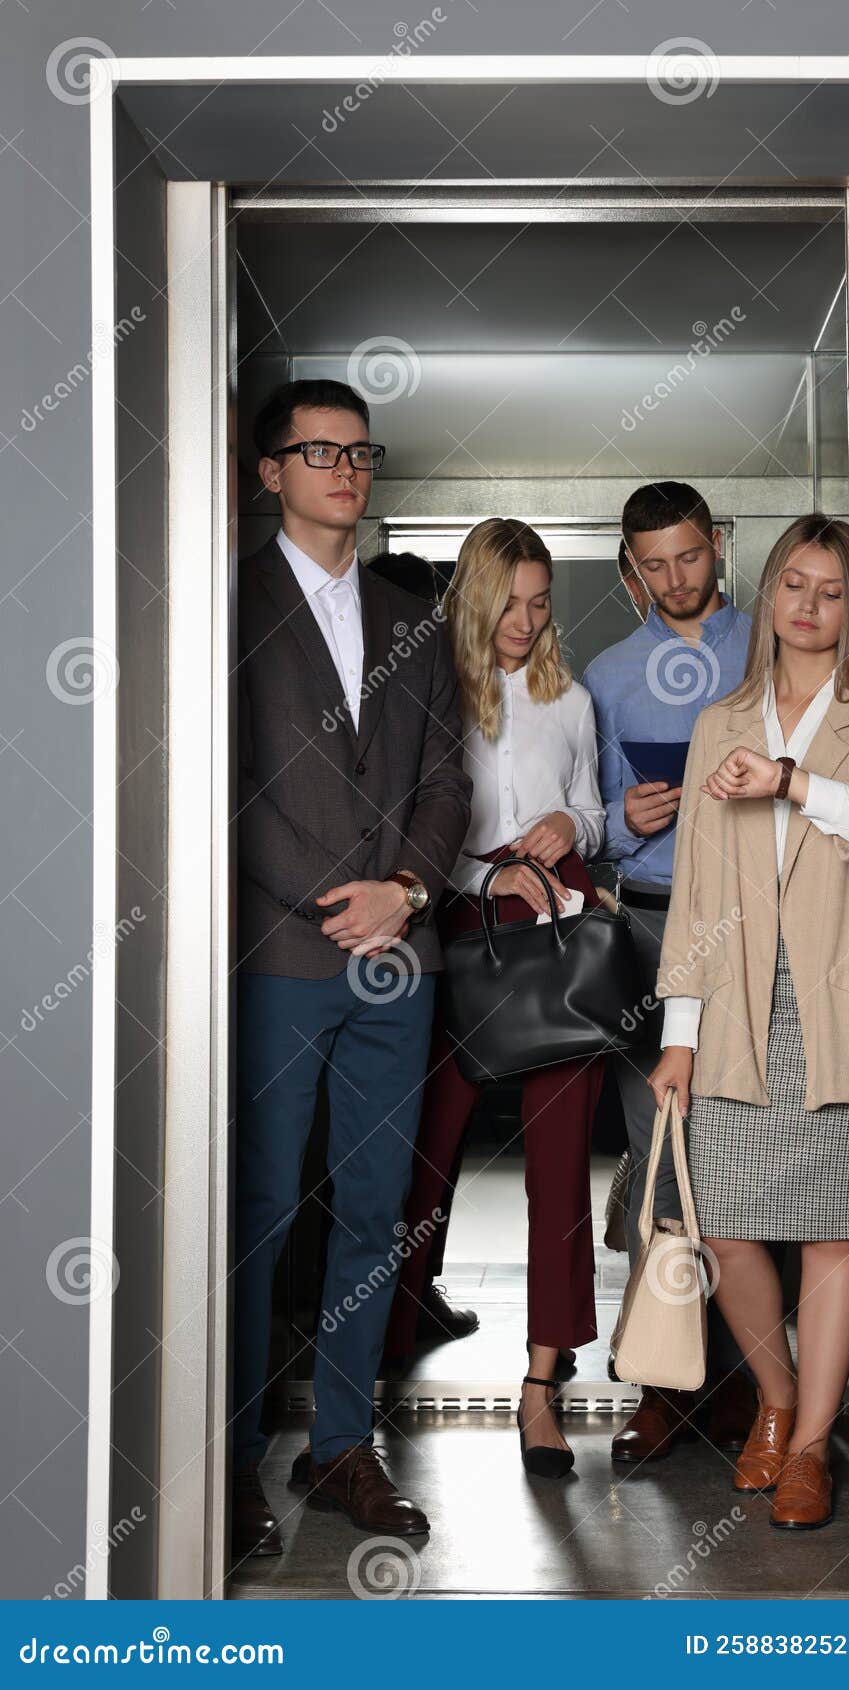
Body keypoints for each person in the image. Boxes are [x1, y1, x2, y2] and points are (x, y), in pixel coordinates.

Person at [231, 378, 472, 1558]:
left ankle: (339, 1447)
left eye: (358, 449)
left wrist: (408, 894)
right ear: (268, 470)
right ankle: (225, 1461)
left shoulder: (411, 620)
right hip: (282, 952)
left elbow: (446, 783)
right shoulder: (220, 600)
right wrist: (329, 904)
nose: (343, 466)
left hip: (401, 955)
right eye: (315, 449)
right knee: (260, 1213)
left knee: (373, 1214)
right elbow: (220, 784)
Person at [384, 518, 606, 1478]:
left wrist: (569, 822)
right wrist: (485, 879)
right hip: (459, 935)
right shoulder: (430, 692)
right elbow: (408, 826)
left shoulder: (573, 698)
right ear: (471, 598)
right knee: (425, 1148)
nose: (524, 621)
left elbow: (594, 812)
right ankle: (384, 1340)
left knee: (560, 1166)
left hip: (561, 940)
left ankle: (542, 1385)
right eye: (507, 601)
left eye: (539, 601)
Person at [650, 513, 849, 1531]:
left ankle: (811, 1443)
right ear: (767, 594)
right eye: (793, 584)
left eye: (830, 589)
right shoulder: (717, 726)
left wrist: (796, 782)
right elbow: (693, 888)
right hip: (732, 1003)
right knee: (725, 1223)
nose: (809, 606)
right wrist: (676, 1034)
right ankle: (772, 1397)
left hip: (838, 1009)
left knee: (829, 1230)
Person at [582, 481, 756, 1463]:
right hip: (647, 930)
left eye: (687, 557)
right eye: (651, 563)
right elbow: (588, 817)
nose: (672, 578)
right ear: (628, 567)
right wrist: (624, 822)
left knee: (749, 1157)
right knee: (659, 1164)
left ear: (716, 547)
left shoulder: (766, 647)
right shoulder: (605, 675)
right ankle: (663, 1386)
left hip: (756, 933)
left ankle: (741, 1385)